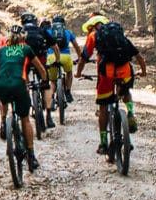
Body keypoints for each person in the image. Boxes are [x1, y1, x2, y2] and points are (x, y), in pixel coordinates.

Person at [75, 15, 147, 158]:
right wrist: (143, 71)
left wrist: (78, 73)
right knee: (125, 91)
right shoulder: (118, 34)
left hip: (107, 74)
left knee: (103, 107)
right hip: (125, 71)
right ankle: (130, 112)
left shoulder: (94, 36)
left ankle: (103, 143)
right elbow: (137, 55)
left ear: (92, 27)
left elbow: (84, 57)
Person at [0, 25, 46, 172]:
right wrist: (44, 82)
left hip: (1, 85)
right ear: (23, 38)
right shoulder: (26, 49)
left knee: (4, 97)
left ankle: (3, 122)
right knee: (25, 118)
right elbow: (41, 69)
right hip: (19, 85)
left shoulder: (0, 50)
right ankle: (31, 156)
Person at [20, 13, 53, 127]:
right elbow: (55, 47)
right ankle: (49, 115)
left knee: (24, 79)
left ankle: (27, 96)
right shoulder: (41, 30)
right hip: (40, 60)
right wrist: (56, 60)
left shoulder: (20, 31)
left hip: (25, 60)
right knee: (46, 85)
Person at [47, 15, 77, 101]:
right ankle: (68, 91)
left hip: (52, 56)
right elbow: (76, 47)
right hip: (65, 57)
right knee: (69, 73)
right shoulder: (68, 32)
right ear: (63, 24)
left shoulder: (48, 32)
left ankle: (51, 98)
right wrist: (79, 58)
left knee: (52, 80)